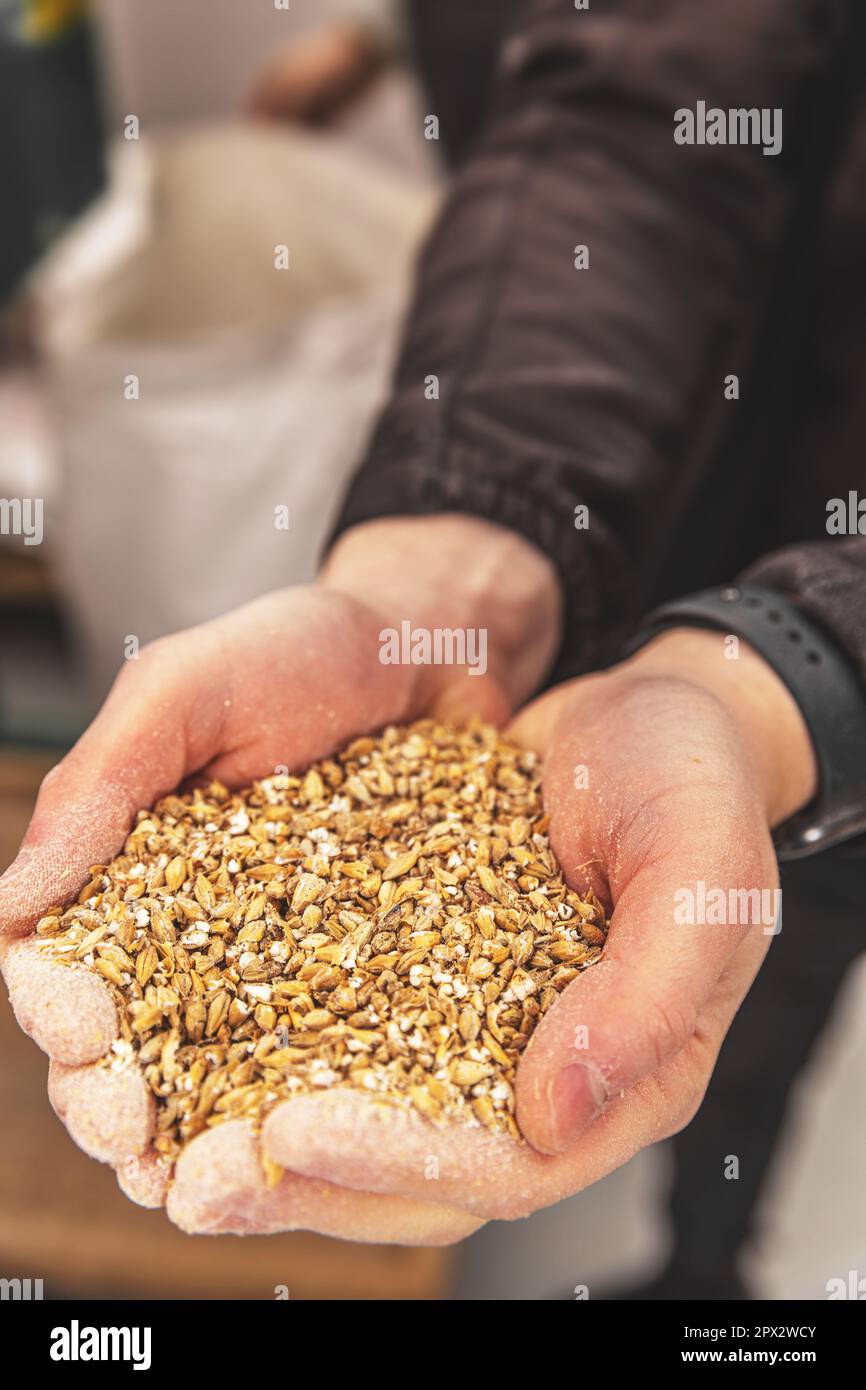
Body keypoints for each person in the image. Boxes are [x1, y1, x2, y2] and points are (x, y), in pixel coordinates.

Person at [2, 0, 866, 1290]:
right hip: (644, 504)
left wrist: (791, 678)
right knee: (676, 906)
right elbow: (635, 125)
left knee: (759, 948)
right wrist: (460, 546)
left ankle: (706, 1268)